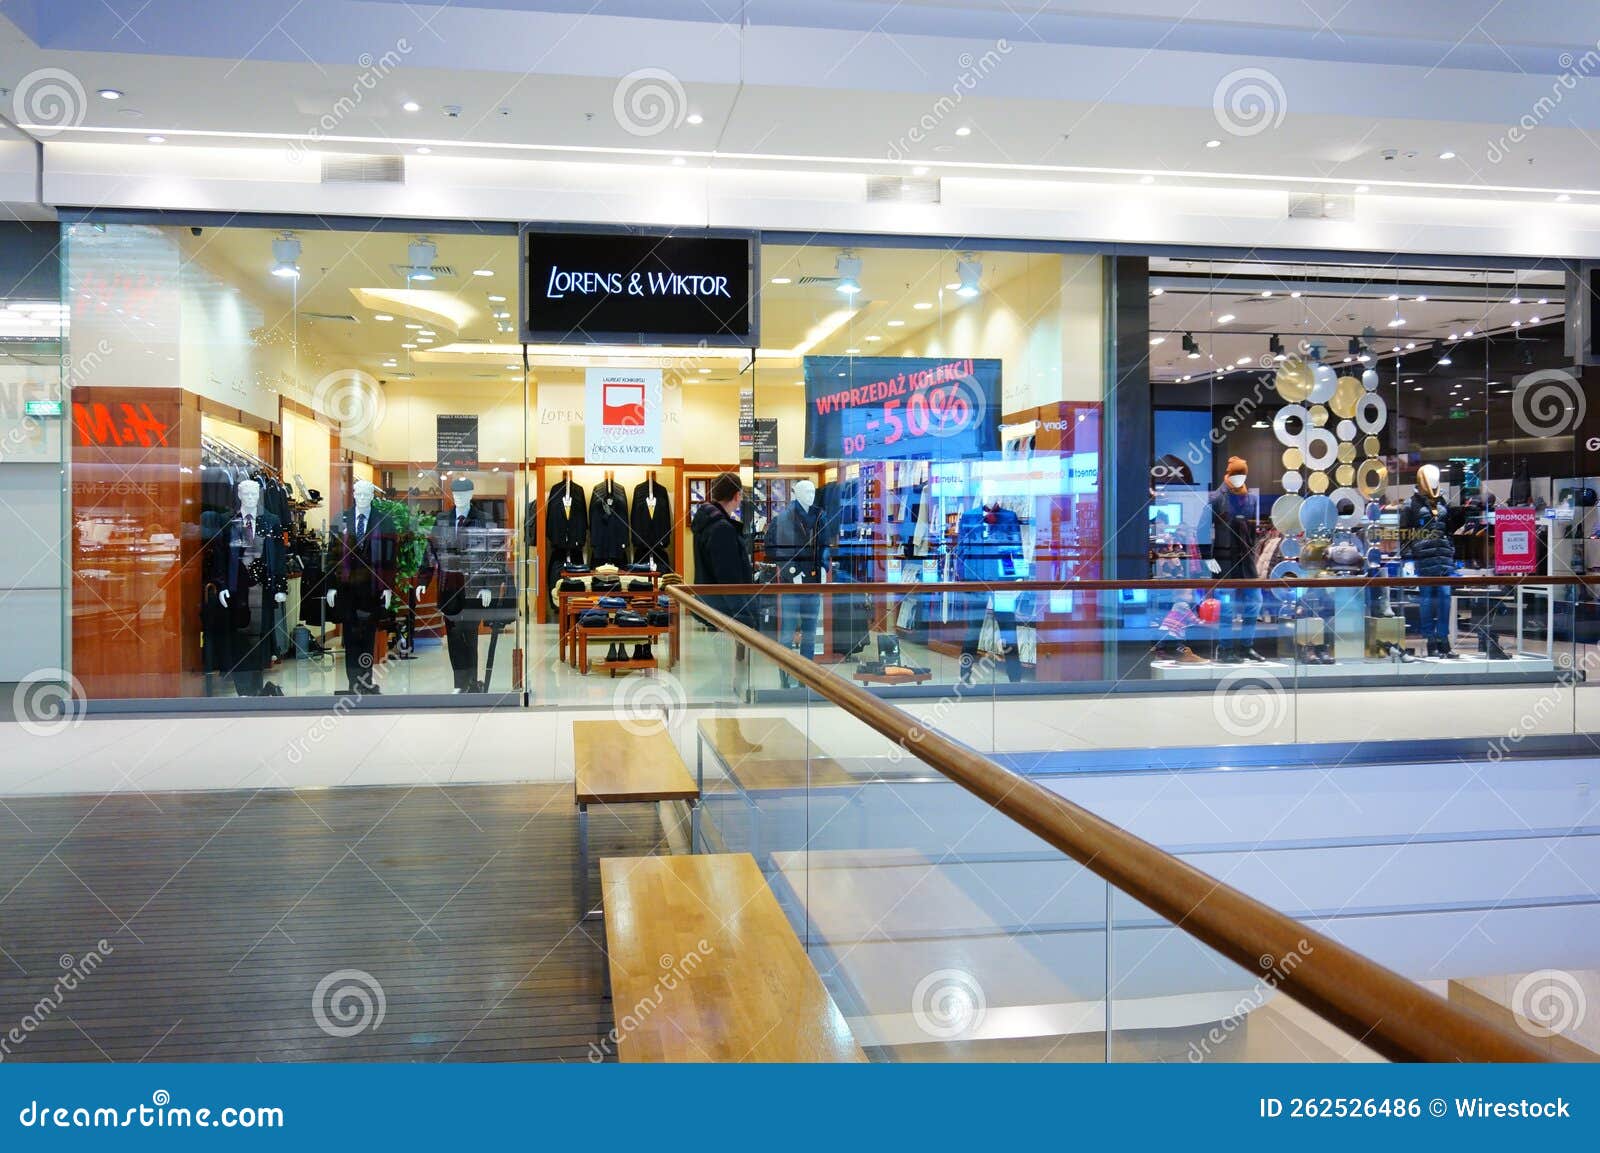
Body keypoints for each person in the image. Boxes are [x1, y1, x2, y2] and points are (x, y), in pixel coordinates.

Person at [690, 471, 757, 660]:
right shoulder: (722, 529)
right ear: (737, 496)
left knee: (725, 663)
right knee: (731, 663)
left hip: (713, 606)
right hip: (725, 611)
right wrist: (744, 616)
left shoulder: (707, 522)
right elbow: (729, 578)